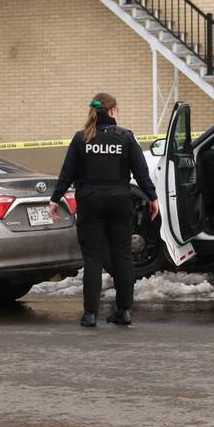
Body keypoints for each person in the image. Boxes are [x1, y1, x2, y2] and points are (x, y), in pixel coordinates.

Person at [50, 93, 159, 328]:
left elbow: (67, 173)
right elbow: (141, 173)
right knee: (122, 256)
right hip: (120, 201)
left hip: (90, 202)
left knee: (92, 258)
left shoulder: (81, 139)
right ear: (111, 111)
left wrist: (54, 199)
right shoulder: (126, 138)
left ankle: (90, 314)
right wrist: (153, 198)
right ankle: (124, 312)